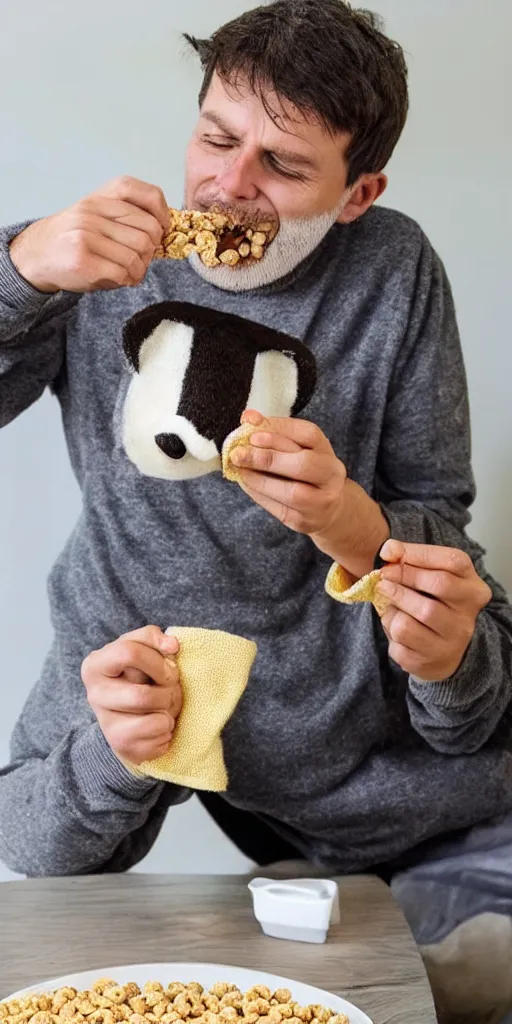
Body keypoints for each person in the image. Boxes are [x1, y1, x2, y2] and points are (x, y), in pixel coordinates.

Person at [1, 1, 512, 1020]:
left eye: (281, 164)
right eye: (215, 137)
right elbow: (32, 846)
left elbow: (435, 516)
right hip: (203, 736)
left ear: (357, 193)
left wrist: (350, 524)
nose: (228, 186)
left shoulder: (393, 268)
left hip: (400, 779)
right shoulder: (97, 260)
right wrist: (18, 272)